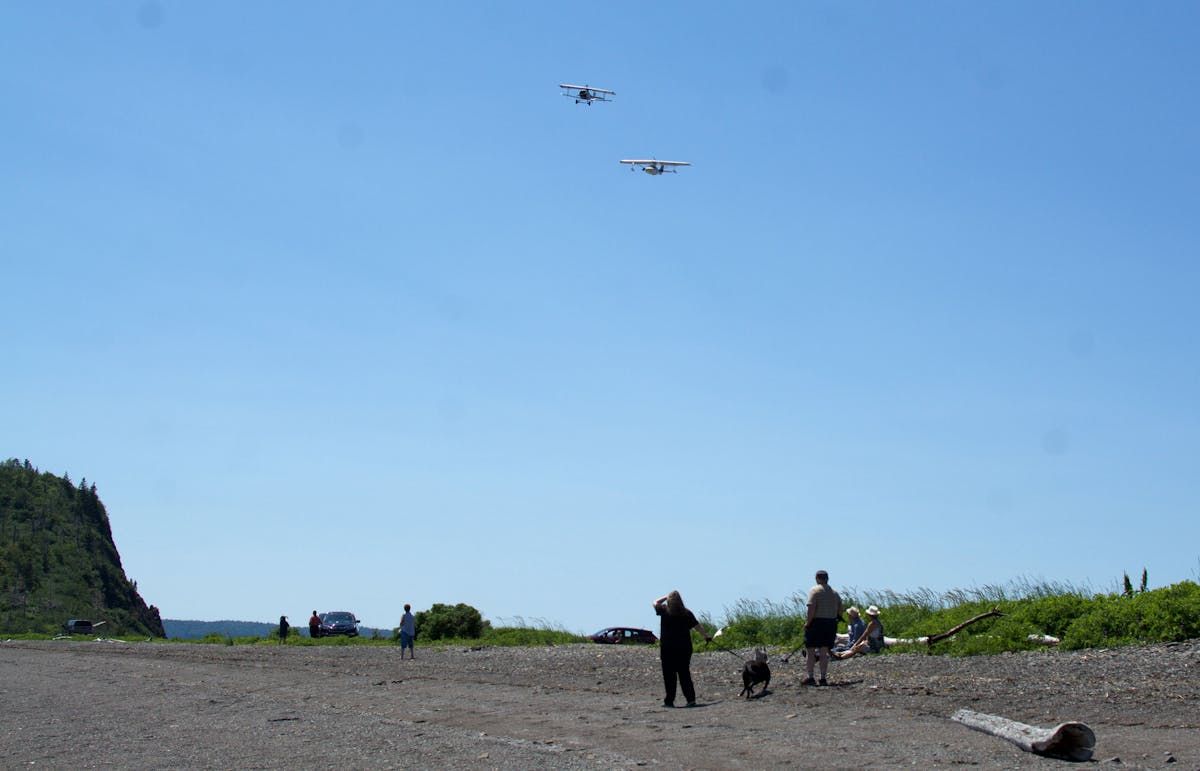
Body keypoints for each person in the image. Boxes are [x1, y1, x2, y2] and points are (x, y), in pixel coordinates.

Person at [652, 590, 711, 708]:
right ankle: (690, 699)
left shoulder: (664, 610)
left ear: (669, 601)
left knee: (669, 675)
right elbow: (697, 626)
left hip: (668, 649)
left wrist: (666, 596)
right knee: (684, 674)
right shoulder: (686, 613)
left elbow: (655, 602)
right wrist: (706, 636)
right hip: (684, 648)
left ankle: (669, 701)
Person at [803, 570, 843, 686]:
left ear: (817, 578)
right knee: (824, 651)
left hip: (816, 623)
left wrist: (808, 623)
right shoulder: (834, 593)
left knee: (810, 651)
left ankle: (810, 676)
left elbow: (811, 608)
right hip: (830, 623)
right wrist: (835, 617)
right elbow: (841, 608)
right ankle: (823, 677)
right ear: (827, 578)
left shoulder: (814, 590)